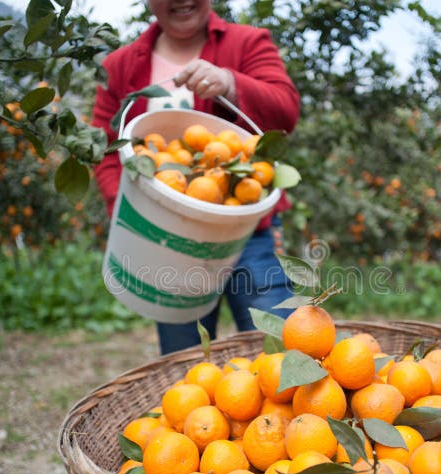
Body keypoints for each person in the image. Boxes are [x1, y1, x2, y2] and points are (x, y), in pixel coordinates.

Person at [91, 0, 299, 355]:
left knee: (279, 346)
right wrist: (127, 208)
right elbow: (105, 147)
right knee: (184, 360)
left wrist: (230, 83)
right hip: (168, 241)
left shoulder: (246, 43)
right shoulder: (121, 65)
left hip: (247, 230)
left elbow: (286, 110)